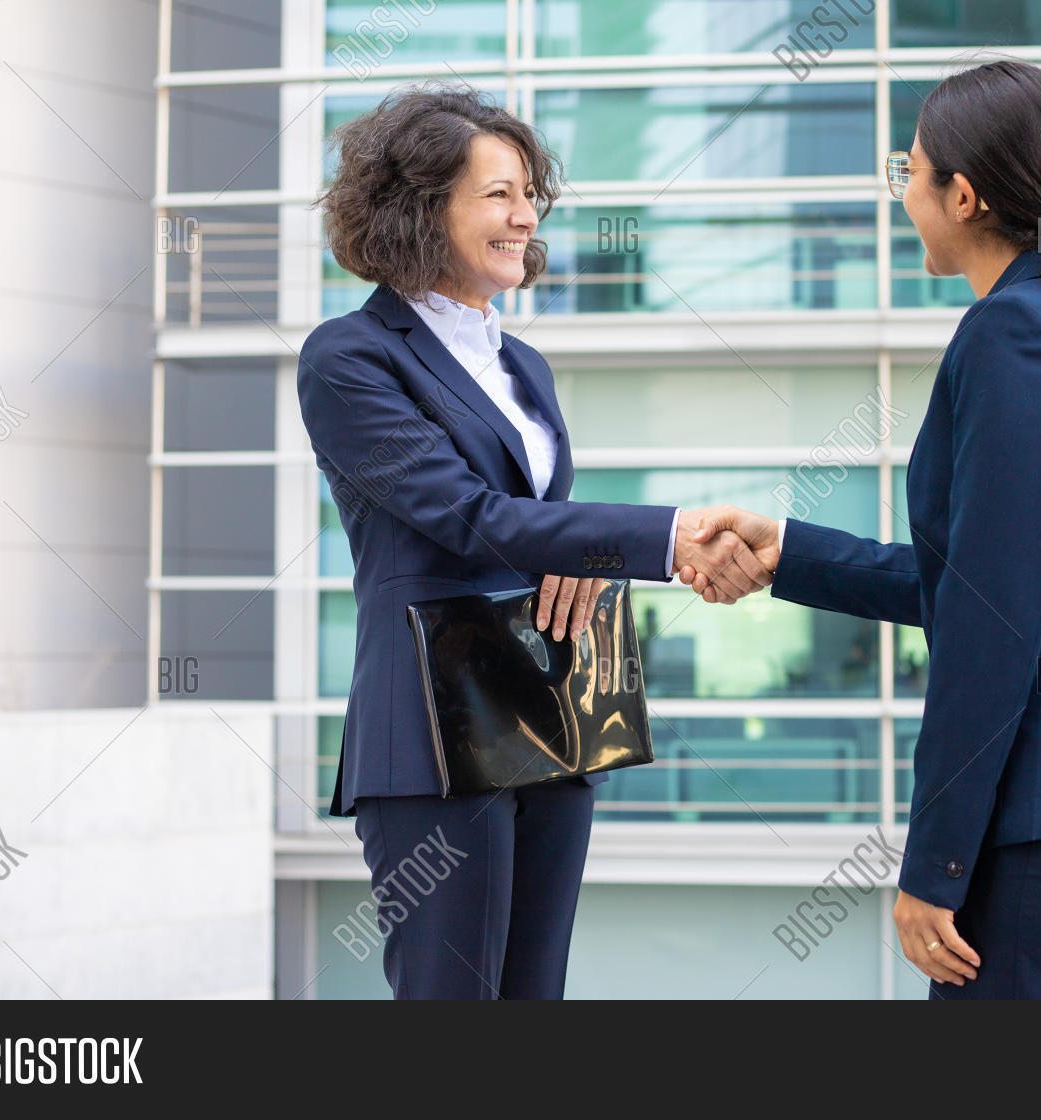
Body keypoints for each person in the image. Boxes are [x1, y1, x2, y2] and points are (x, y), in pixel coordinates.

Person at [681, 60, 1041, 1000]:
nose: (902, 195)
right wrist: (791, 549)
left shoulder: (1014, 333)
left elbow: (994, 627)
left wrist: (933, 867)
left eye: (908, 172)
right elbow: (989, 577)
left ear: (964, 193)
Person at [296, 84, 768, 999]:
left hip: (553, 707)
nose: (526, 216)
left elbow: (544, 522)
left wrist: (585, 571)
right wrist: (668, 537)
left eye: (529, 193)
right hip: (435, 728)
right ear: (422, 209)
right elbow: (470, 516)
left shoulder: (522, 364)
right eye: (499, 194)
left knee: (533, 994)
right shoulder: (350, 357)